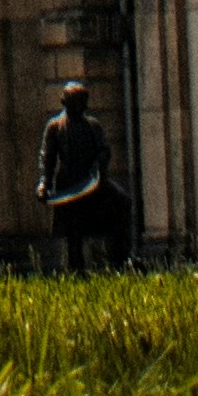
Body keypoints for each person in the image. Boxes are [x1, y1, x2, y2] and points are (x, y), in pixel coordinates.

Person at [34, 78, 131, 275]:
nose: (82, 105)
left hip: (93, 180)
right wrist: (44, 182)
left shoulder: (93, 125)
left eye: (83, 101)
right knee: (74, 229)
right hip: (69, 183)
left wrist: (99, 164)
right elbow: (48, 157)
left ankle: (121, 258)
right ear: (66, 101)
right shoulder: (55, 126)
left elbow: (104, 149)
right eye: (77, 100)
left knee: (122, 202)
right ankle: (77, 270)